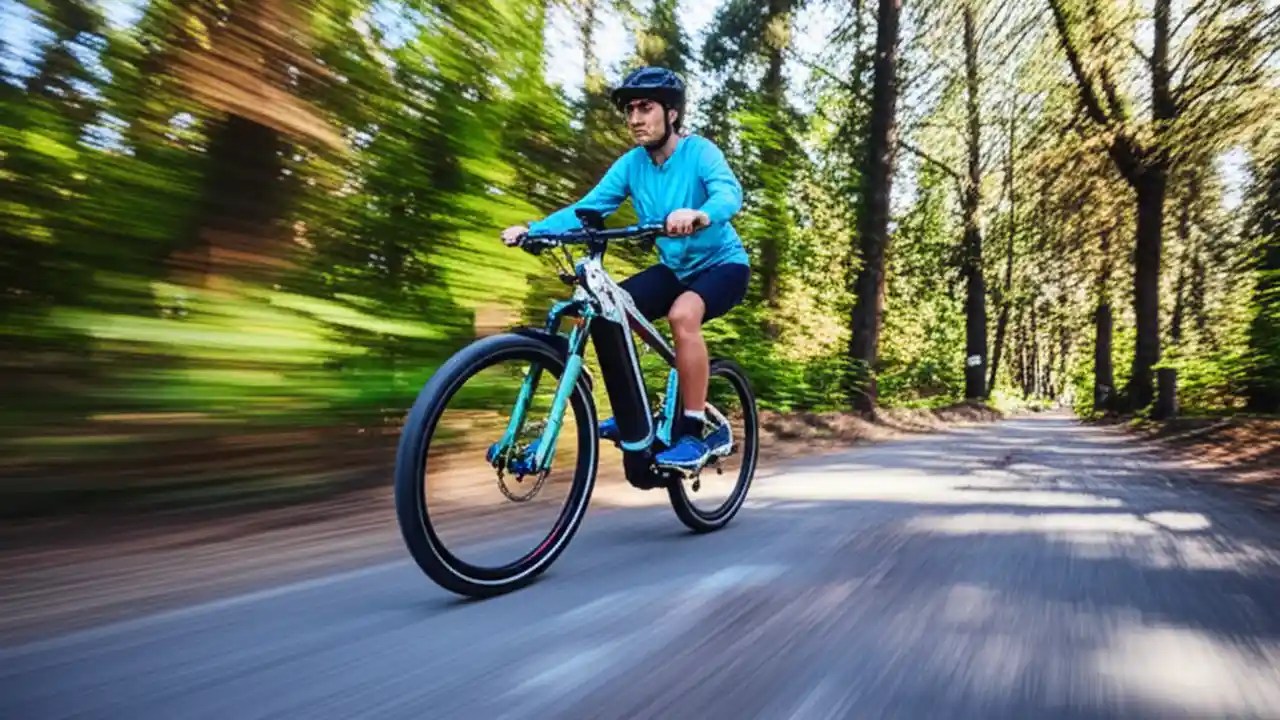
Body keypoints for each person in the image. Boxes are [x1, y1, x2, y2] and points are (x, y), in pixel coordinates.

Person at [500, 66, 750, 471]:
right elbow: (588, 208)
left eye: (645, 108)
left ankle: (694, 429)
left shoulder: (699, 152)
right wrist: (536, 230)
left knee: (682, 314)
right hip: (675, 269)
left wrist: (700, 215)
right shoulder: (632, 165)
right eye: (630, 110)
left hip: (723, 266)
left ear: (671, 113)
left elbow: (729, 193)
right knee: (611, 312)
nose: (635, 119)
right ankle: (639, 411)